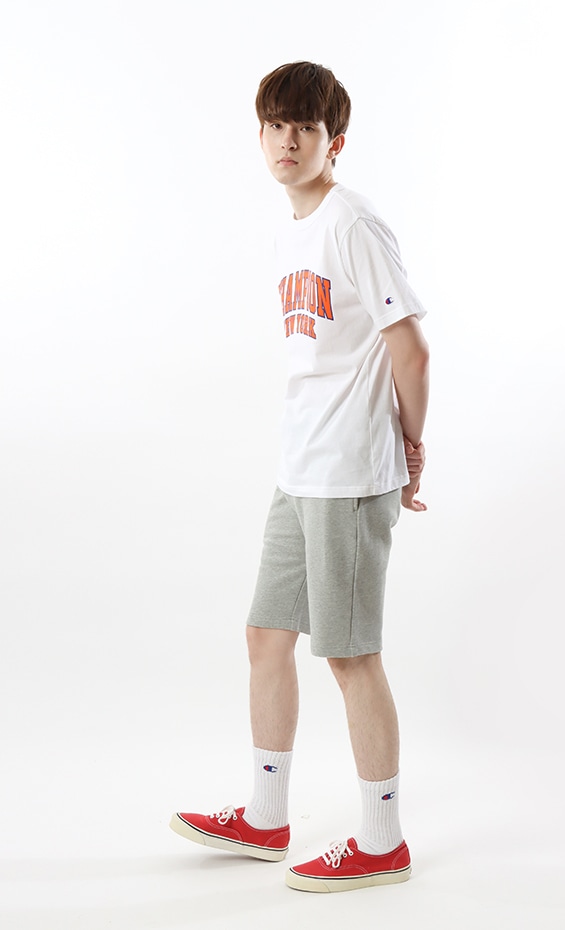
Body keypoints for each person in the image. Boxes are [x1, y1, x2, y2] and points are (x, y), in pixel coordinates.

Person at [170, 60, 430, 894]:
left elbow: (411, 348)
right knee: (266, 636)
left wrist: (410, 446)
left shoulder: (352, 223)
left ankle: (383, 841)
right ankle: (266, 816)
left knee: (350, 656)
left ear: (334, 142)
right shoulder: (291, 228)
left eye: (305, 127)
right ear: (261, 136)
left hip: (350, 471)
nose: (288, 140)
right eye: (275, 125)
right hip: (301, 466)